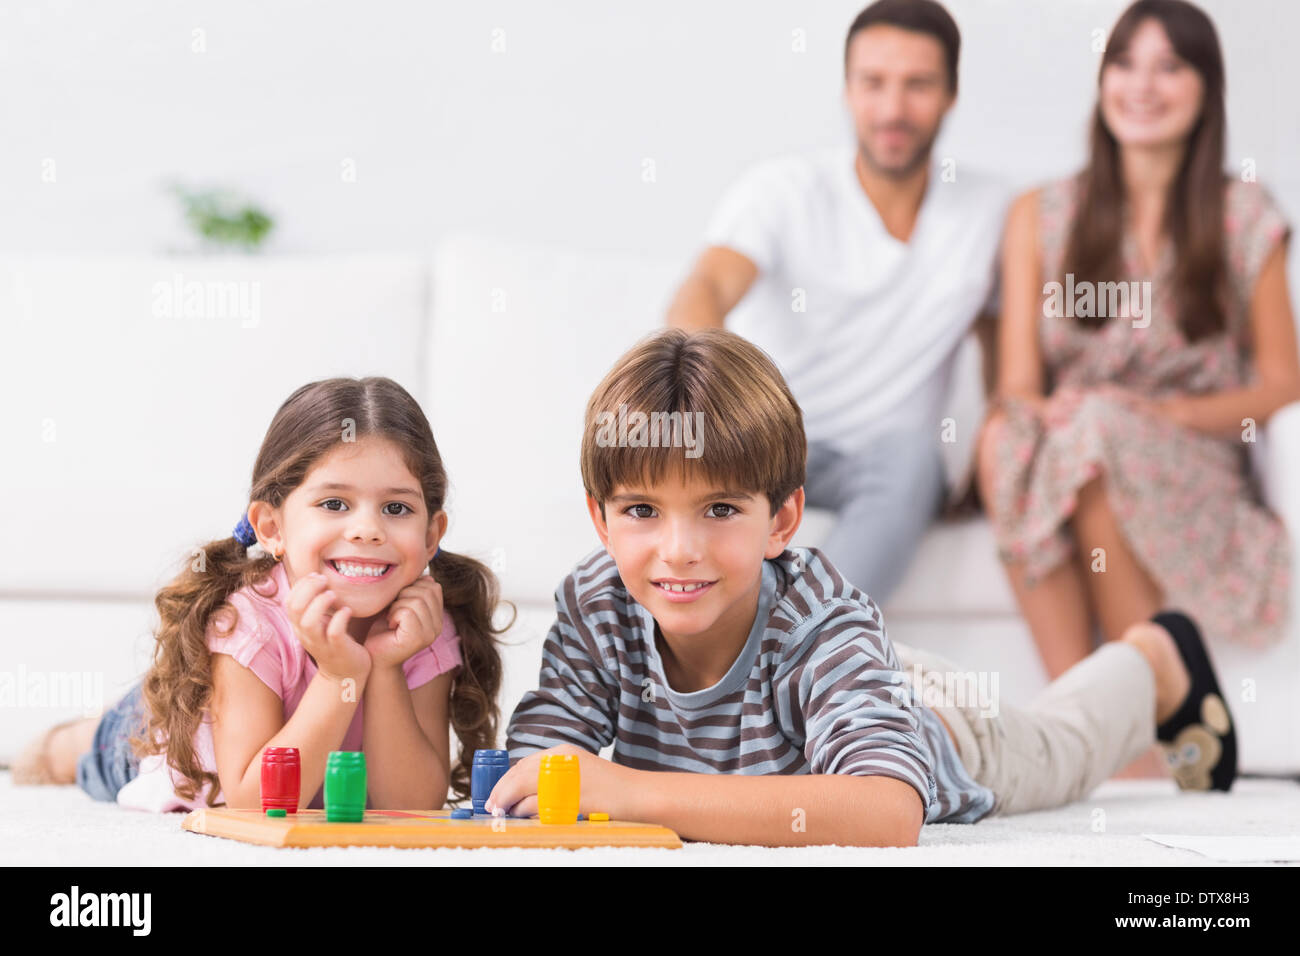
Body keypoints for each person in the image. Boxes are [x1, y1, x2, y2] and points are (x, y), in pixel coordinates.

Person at [485, 329, 1236, 847]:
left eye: (719, 509)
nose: (678, 551)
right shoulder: (596, 601)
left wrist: (634, 791)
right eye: (643, 512)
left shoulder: (817, 611)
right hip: (850, 688)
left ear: (782, 519)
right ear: (602, 520)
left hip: (940, 727)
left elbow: (886, 812)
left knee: (1066, 746)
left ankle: (1159, 654)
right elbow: (543, 769)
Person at [976, 0, 1299, 684]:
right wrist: (1058, 413)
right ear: (1102, 81)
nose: (1142, 87)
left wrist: (1165, 415)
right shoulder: (1040, 214)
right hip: (1075, 434)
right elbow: (1017, 383)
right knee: (1004, 439)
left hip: (1191, 455)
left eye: (1170, 67)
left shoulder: (1245, 215)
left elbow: (1281, 382)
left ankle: (1138, 722)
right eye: (1124, 64)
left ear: (1207, 88)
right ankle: (1077, 708)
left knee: (1097, 434)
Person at [13, 377, 507, 812]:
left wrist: (383, 667)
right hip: (171, 741)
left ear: (431, 535)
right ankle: (75, 735)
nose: (367, 529)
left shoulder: (424, 625)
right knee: (95, 750)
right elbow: (254, 800)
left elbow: (411, 804)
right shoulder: (246, 621)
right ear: (271, 528)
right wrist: (338, 674)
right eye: (335, 503)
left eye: (397, 509)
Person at [665, 0, 1011, 602]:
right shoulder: (785, 191)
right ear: (847, 90)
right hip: (770, 440)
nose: (893, 109)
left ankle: (805, 649)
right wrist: (715, 400)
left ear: (952, 94)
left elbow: (1010, 352)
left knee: (911, 456)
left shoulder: (989, 212)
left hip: (889, 467)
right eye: (873, 83)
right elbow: (708, 287)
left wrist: (993, 457)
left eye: (918, 85)